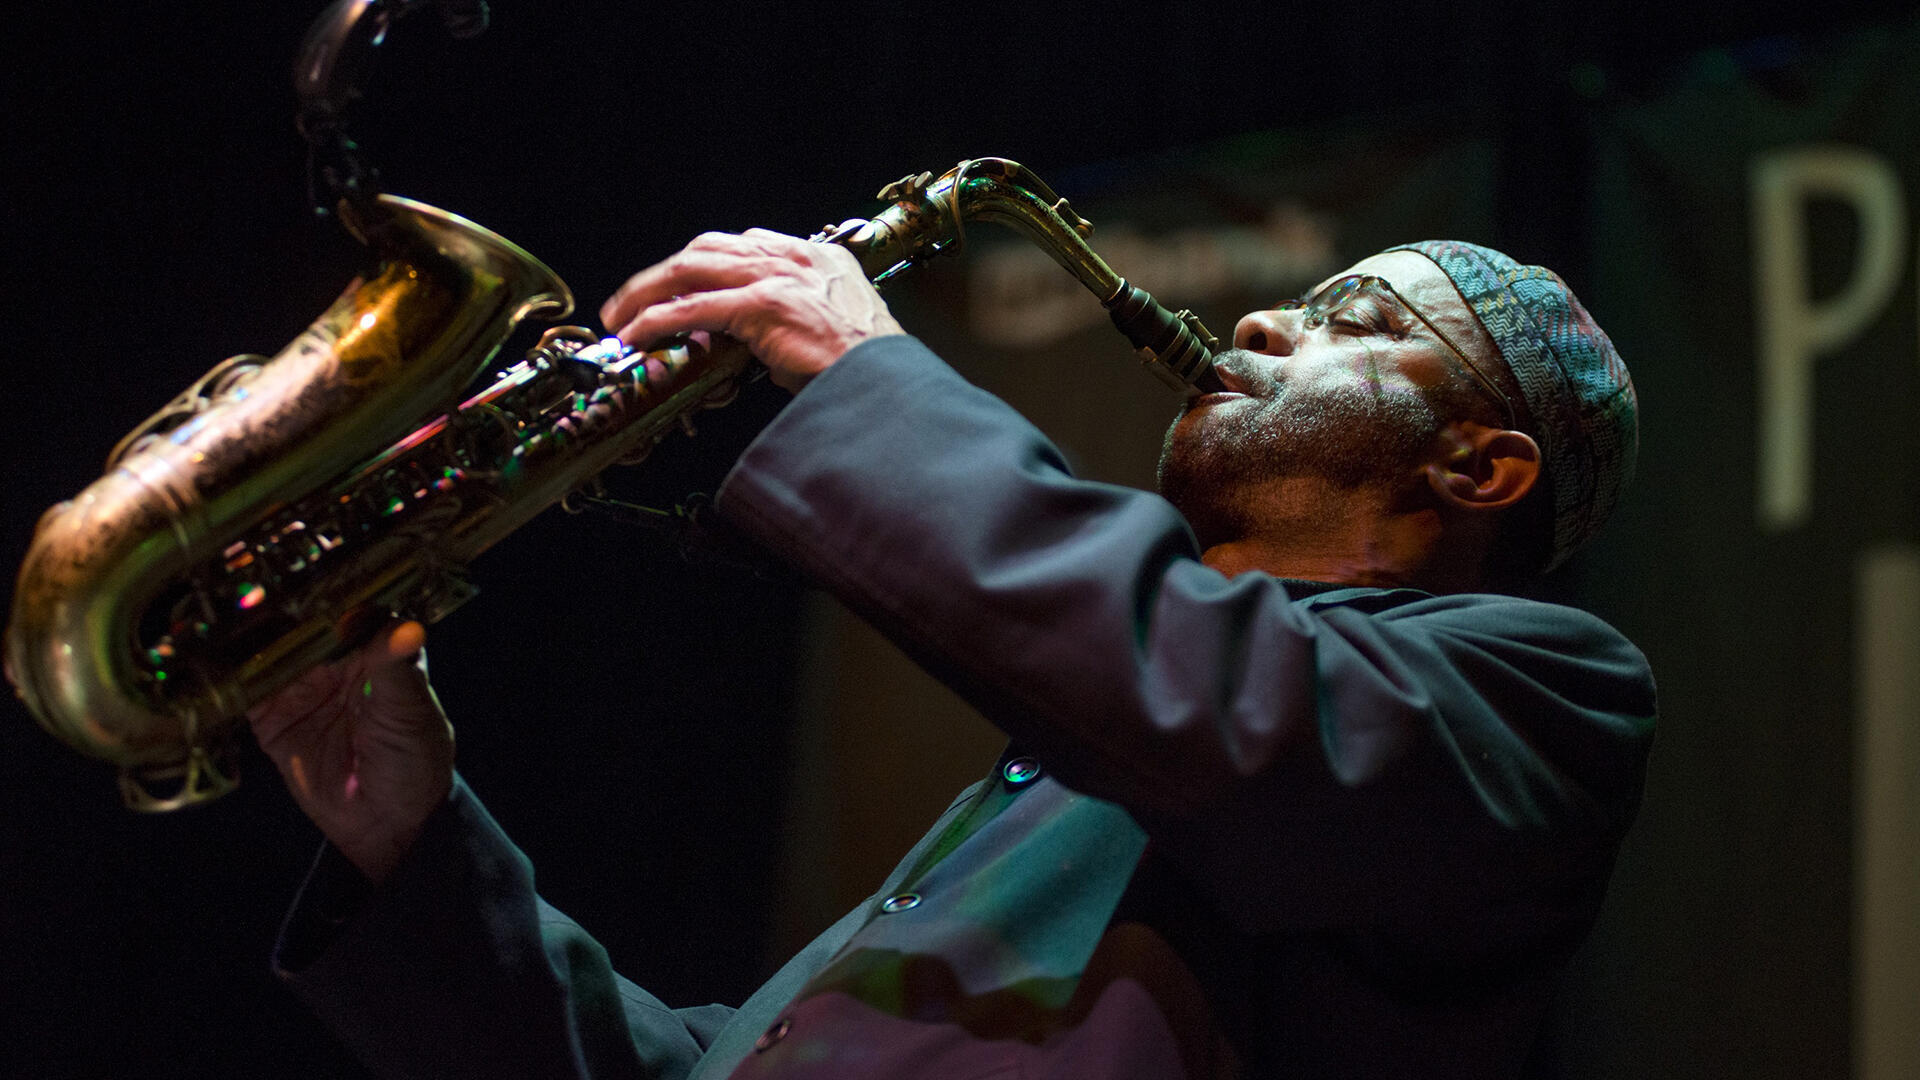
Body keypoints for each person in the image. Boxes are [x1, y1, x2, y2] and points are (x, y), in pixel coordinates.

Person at [250, 231, 1655, 1079]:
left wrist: (873, 378)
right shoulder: (1103, 754)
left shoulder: (1544, 698)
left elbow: (1214, 704)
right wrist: (414, 849)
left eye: (1356, 322)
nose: (1259, 321)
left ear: (1483, 465)